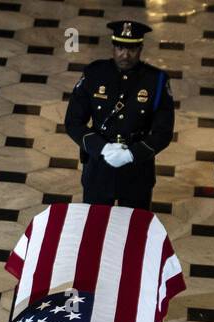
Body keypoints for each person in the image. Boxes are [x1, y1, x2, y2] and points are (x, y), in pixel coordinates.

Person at [65, 19, 175, 209]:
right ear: (113, 48)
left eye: (132, 49)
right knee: (95, 224)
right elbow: (73, 121)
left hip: (137, 168)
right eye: (120, 48)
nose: (125, 54)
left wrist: (133, 154)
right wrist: (101, 148)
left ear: (140, 49)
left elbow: (163, 131)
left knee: (134, 228)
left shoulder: (156, 81)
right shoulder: (94, 73)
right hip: (99, 165)